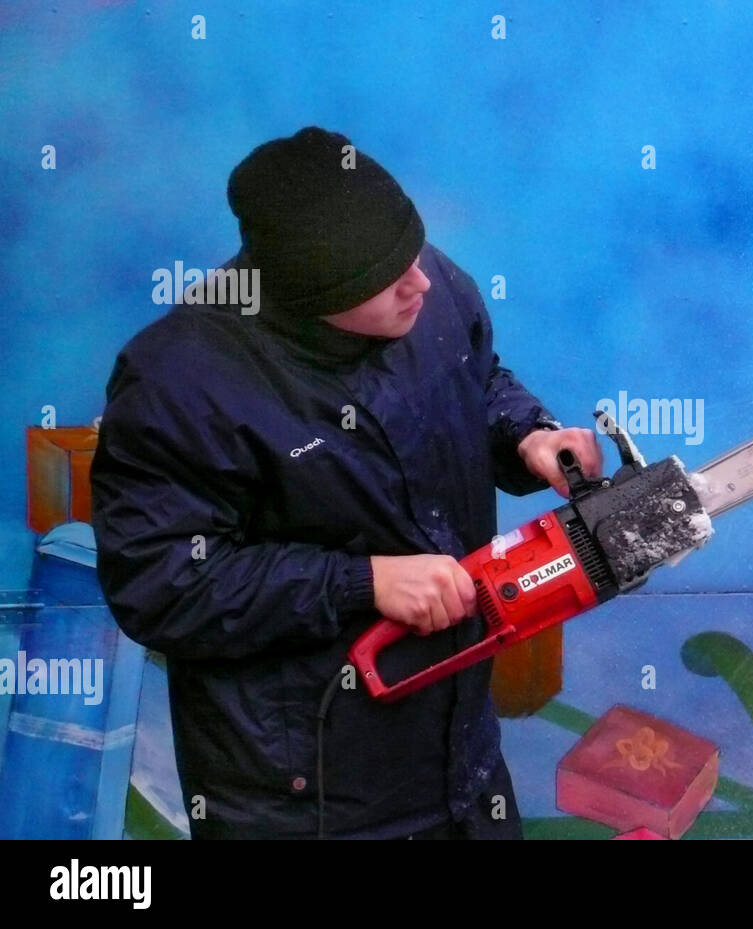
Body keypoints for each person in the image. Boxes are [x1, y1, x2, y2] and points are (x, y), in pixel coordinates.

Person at [89, 127, 602, 839]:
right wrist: (361, 583)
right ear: (309, 292)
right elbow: (161, 581)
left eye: (414, 252)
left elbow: (475, 379)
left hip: (463, 767)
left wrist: (529, 437)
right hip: (301, 801)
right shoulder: (178, 385)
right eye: (386, 278)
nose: (419, 280)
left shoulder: (422, 286)